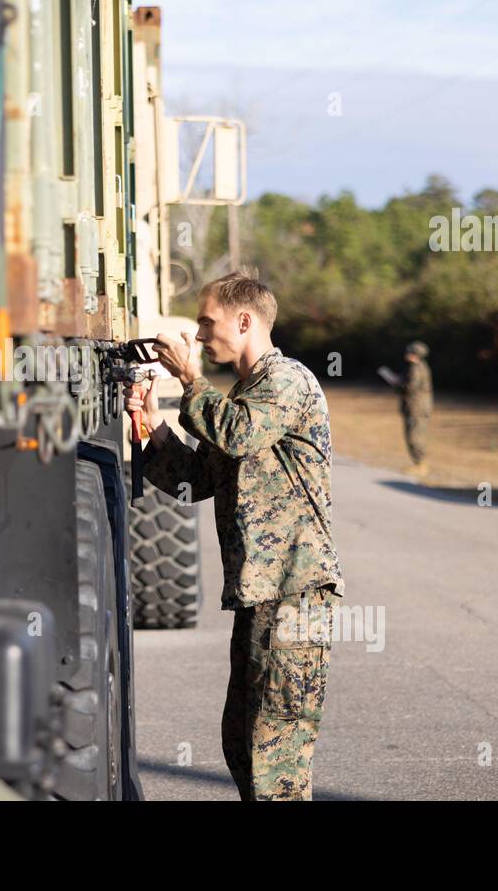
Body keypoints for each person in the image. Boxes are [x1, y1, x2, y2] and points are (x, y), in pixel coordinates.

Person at [126, 270, 344, 801]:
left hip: (294, 595)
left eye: (207, 322)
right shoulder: (243, 394)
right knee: (244, 748)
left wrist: (189, 379)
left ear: (244, 321)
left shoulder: (287, 380)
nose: (199, 335)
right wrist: (152, 425)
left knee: (277, 764)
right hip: (259, 597)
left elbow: (239, 434)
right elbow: (195, 480)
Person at [396, 341, 433, 475]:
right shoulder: (420, 366)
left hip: (416, 407)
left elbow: (411, 387)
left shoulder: (416, 368)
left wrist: (397, 383)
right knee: (414, 434)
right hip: (417, 407)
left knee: (414, 436)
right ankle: (419, 463)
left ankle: (421, 465)